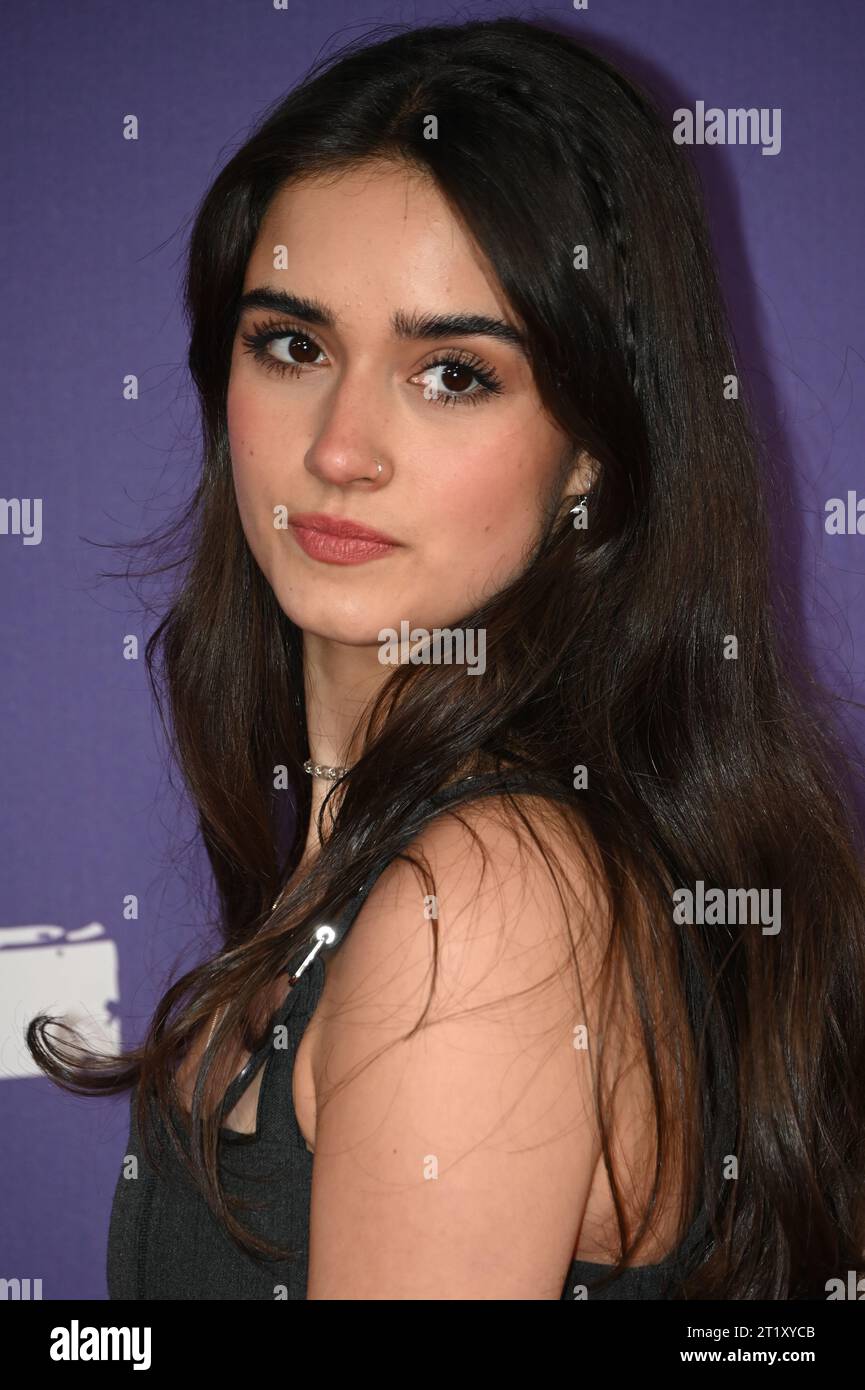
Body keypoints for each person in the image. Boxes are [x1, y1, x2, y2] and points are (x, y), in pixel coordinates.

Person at [28, 16, 865, 1300]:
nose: (342, 447)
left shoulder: (475, 902)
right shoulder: (371, 857)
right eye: (293, 345)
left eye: (454, 374)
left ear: (591, 446)